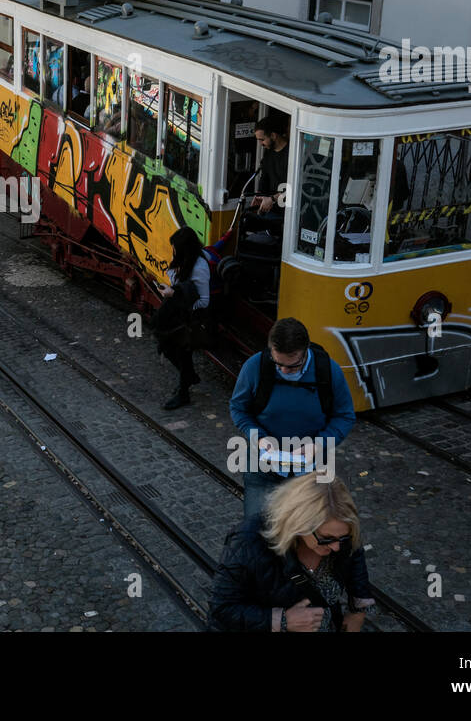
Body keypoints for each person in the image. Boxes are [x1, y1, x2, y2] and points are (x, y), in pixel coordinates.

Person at [209, 473, 375, 632]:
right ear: (299, 524)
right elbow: (222, 608)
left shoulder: (341, 536)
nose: (336, 547)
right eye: (326, 538)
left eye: (343, 538)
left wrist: (357, 611)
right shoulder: (247, 542)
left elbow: (355, 557)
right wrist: (282, 620)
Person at [229, 317, 355, 518]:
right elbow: (238, 409)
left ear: (306, 352)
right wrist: (260, 438)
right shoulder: (255, 367)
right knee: (256, 529)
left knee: (306, 530)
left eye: (293, 365)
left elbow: (345, 416)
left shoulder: (329, 371)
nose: (285, 371)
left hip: (311, 471)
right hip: (263, 468)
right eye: (278, 364)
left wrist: (317, 445)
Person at [154, 228, 211, 411]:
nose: (173, 252)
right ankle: (189, 377)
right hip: (177, 312)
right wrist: (172, 292)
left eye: (176, 249)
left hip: (188, 319)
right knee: (166, 344)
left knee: (182, 352)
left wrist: (175, 296)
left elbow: (203, 301)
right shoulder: (184, 262)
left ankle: (184, 391)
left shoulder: (199, 268)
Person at [251, 113, 290, 218]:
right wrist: (260, 195)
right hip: (271, 209)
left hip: (286, 212)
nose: (261, 144)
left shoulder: (291, 154)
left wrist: (272, 199)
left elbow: (293, 188)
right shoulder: (269, 152)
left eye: (262, 139)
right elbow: (265, 176)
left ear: (273, 135)